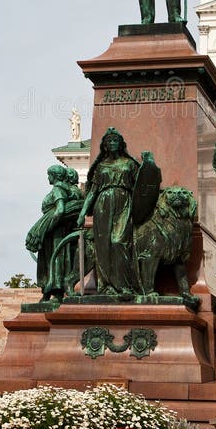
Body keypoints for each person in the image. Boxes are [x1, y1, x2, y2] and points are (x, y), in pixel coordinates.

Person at [76, 128, 140, 295]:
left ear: (120, 144)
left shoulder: (129, 164)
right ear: (104, 145)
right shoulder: (101, 166)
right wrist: (83, 212)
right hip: (103, 204)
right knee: (103, 246)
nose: (112, 143)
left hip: (124, 202)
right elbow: (92, 191)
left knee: (118, 241)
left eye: (115, 141)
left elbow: (139, 189)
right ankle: (106, 286)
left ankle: (124, 285)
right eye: (109, 141)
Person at [25, 165, 84, 301]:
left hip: (55, 233)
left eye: (49, 175)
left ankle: (56, 291)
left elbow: (60, 210)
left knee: (55, 259)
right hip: (56, 232)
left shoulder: (58, 189)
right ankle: (49, 291)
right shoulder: (66, 189)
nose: (48, 177)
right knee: (54, 260)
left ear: (55, 176)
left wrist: (46, 227)